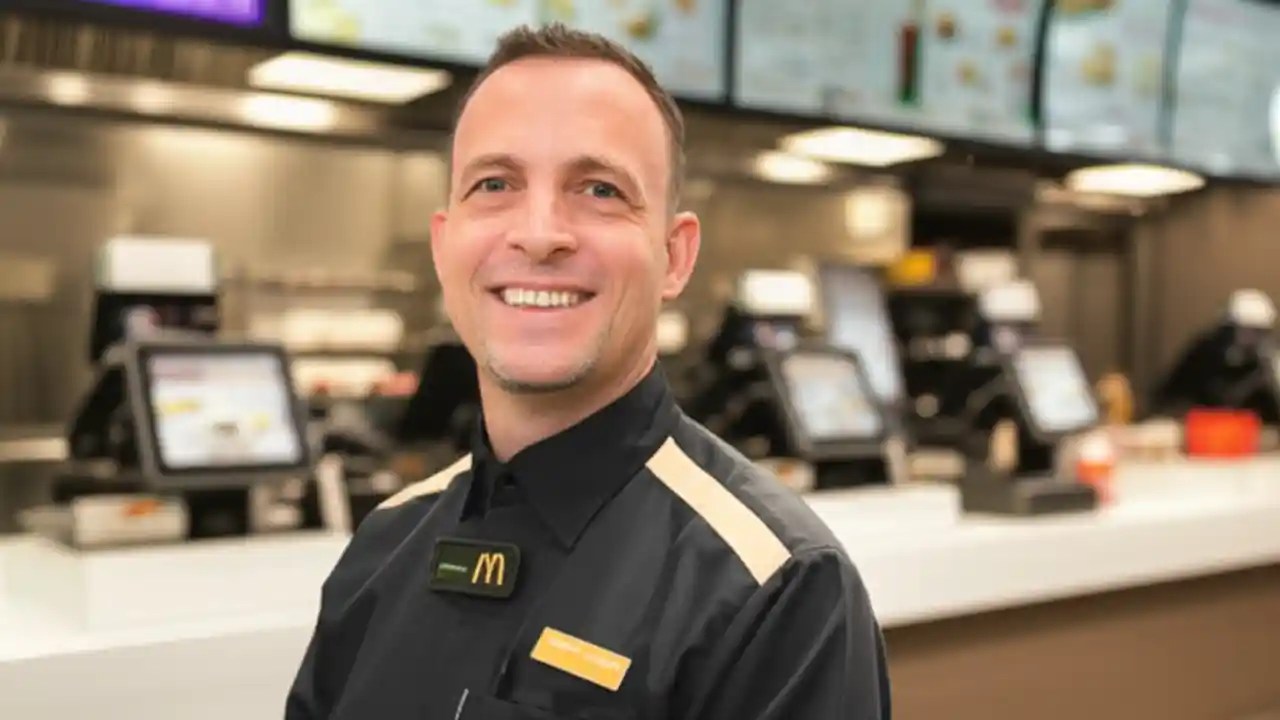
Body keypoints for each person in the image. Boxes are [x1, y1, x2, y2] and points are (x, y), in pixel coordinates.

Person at [286, 23, 891, 720]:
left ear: (675, 256)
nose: (540, 234)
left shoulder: (777, 592)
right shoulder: (383, 547)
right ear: (443, 245)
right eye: (494, 183)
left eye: (600, 190)